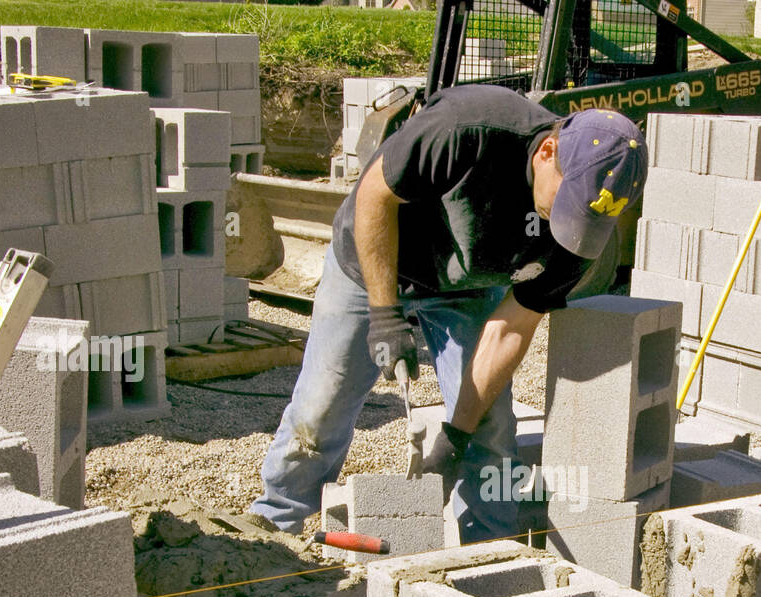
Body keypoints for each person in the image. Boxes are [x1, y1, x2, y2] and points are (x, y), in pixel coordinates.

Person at [247, 83, 647, 543]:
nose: (569, 222)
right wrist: (383, 313)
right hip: (373, 260)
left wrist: (456, 435)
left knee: (490, 429)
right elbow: (374, 197)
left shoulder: (578, 235)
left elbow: (511, 327)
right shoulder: (466, 129)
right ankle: (277, 525)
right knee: (323, 403)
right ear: (547, 151)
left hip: (467, 285)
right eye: (566, 202)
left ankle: (489, 550)